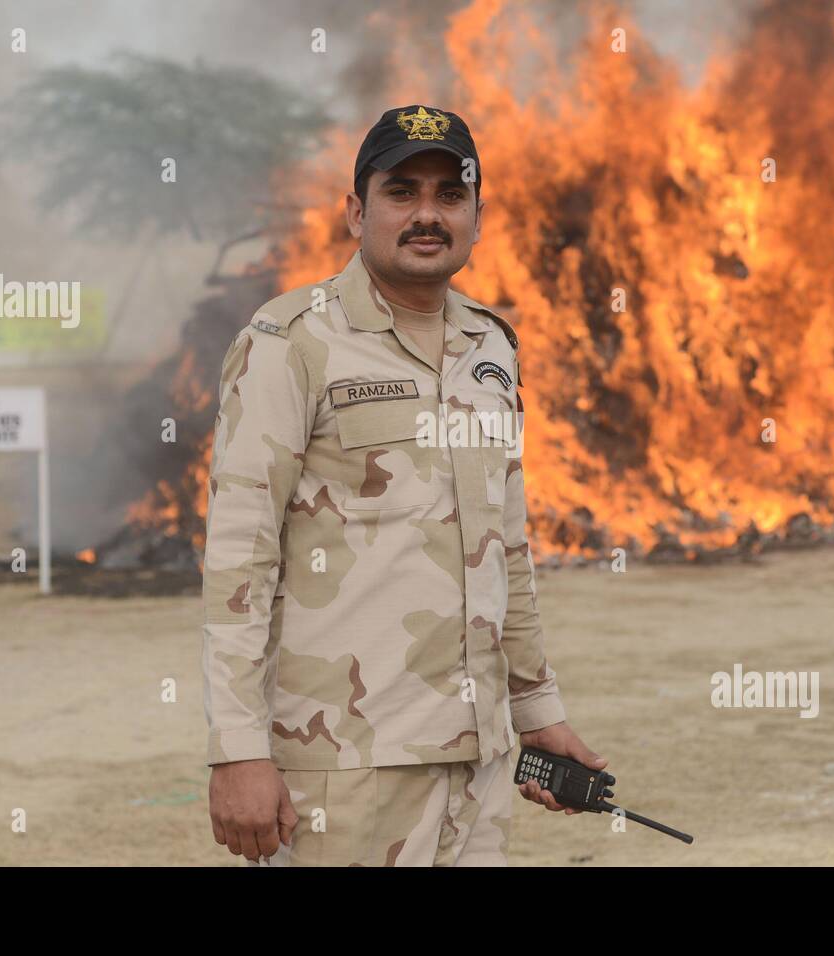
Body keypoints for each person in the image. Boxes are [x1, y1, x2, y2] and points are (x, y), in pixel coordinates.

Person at [203, 104, 604, 866]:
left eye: (450, 194)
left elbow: (506, 549)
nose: (428, 214)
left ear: (478, 216)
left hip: (478, 761)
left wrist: (536, 709)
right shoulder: (291, 344)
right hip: (345, 765)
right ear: (356, 211)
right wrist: (237, 748)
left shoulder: (491, 349)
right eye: (402, 191)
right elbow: (238, 557)